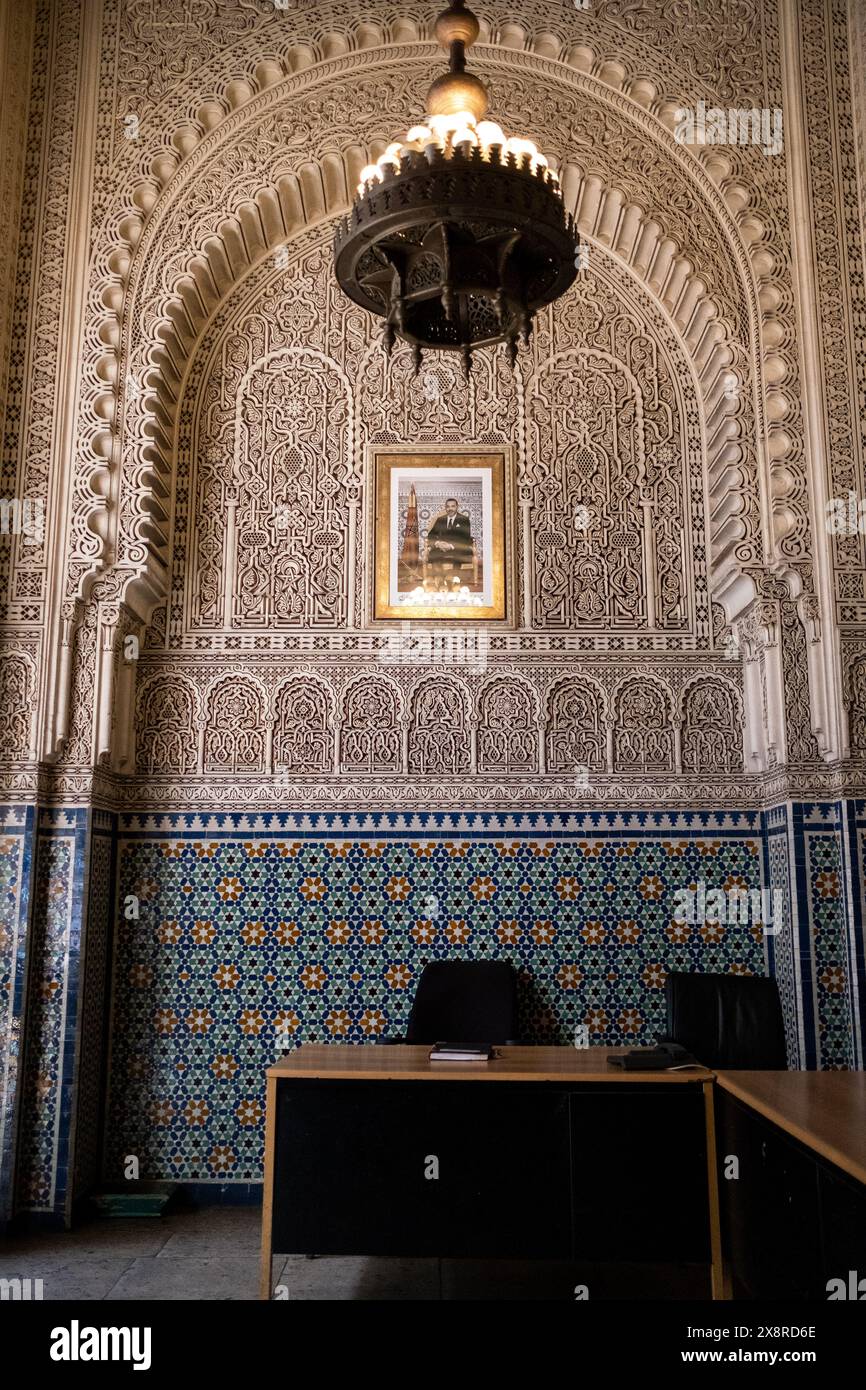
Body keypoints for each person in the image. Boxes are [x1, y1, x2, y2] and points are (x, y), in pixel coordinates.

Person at [425, 498, 474, 579]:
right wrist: (438, 543)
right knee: (433, 554)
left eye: (452, 506)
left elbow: (466, 537)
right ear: (445, 507)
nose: (450, 509)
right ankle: (440, 579)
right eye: (448, 506)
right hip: (441, 547)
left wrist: (451, 545)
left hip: (457, 547)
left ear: (457, 507)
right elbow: (430, 535)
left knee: (458, 554)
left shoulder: (464, 519)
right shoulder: (441, 519)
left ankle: (452, 578)